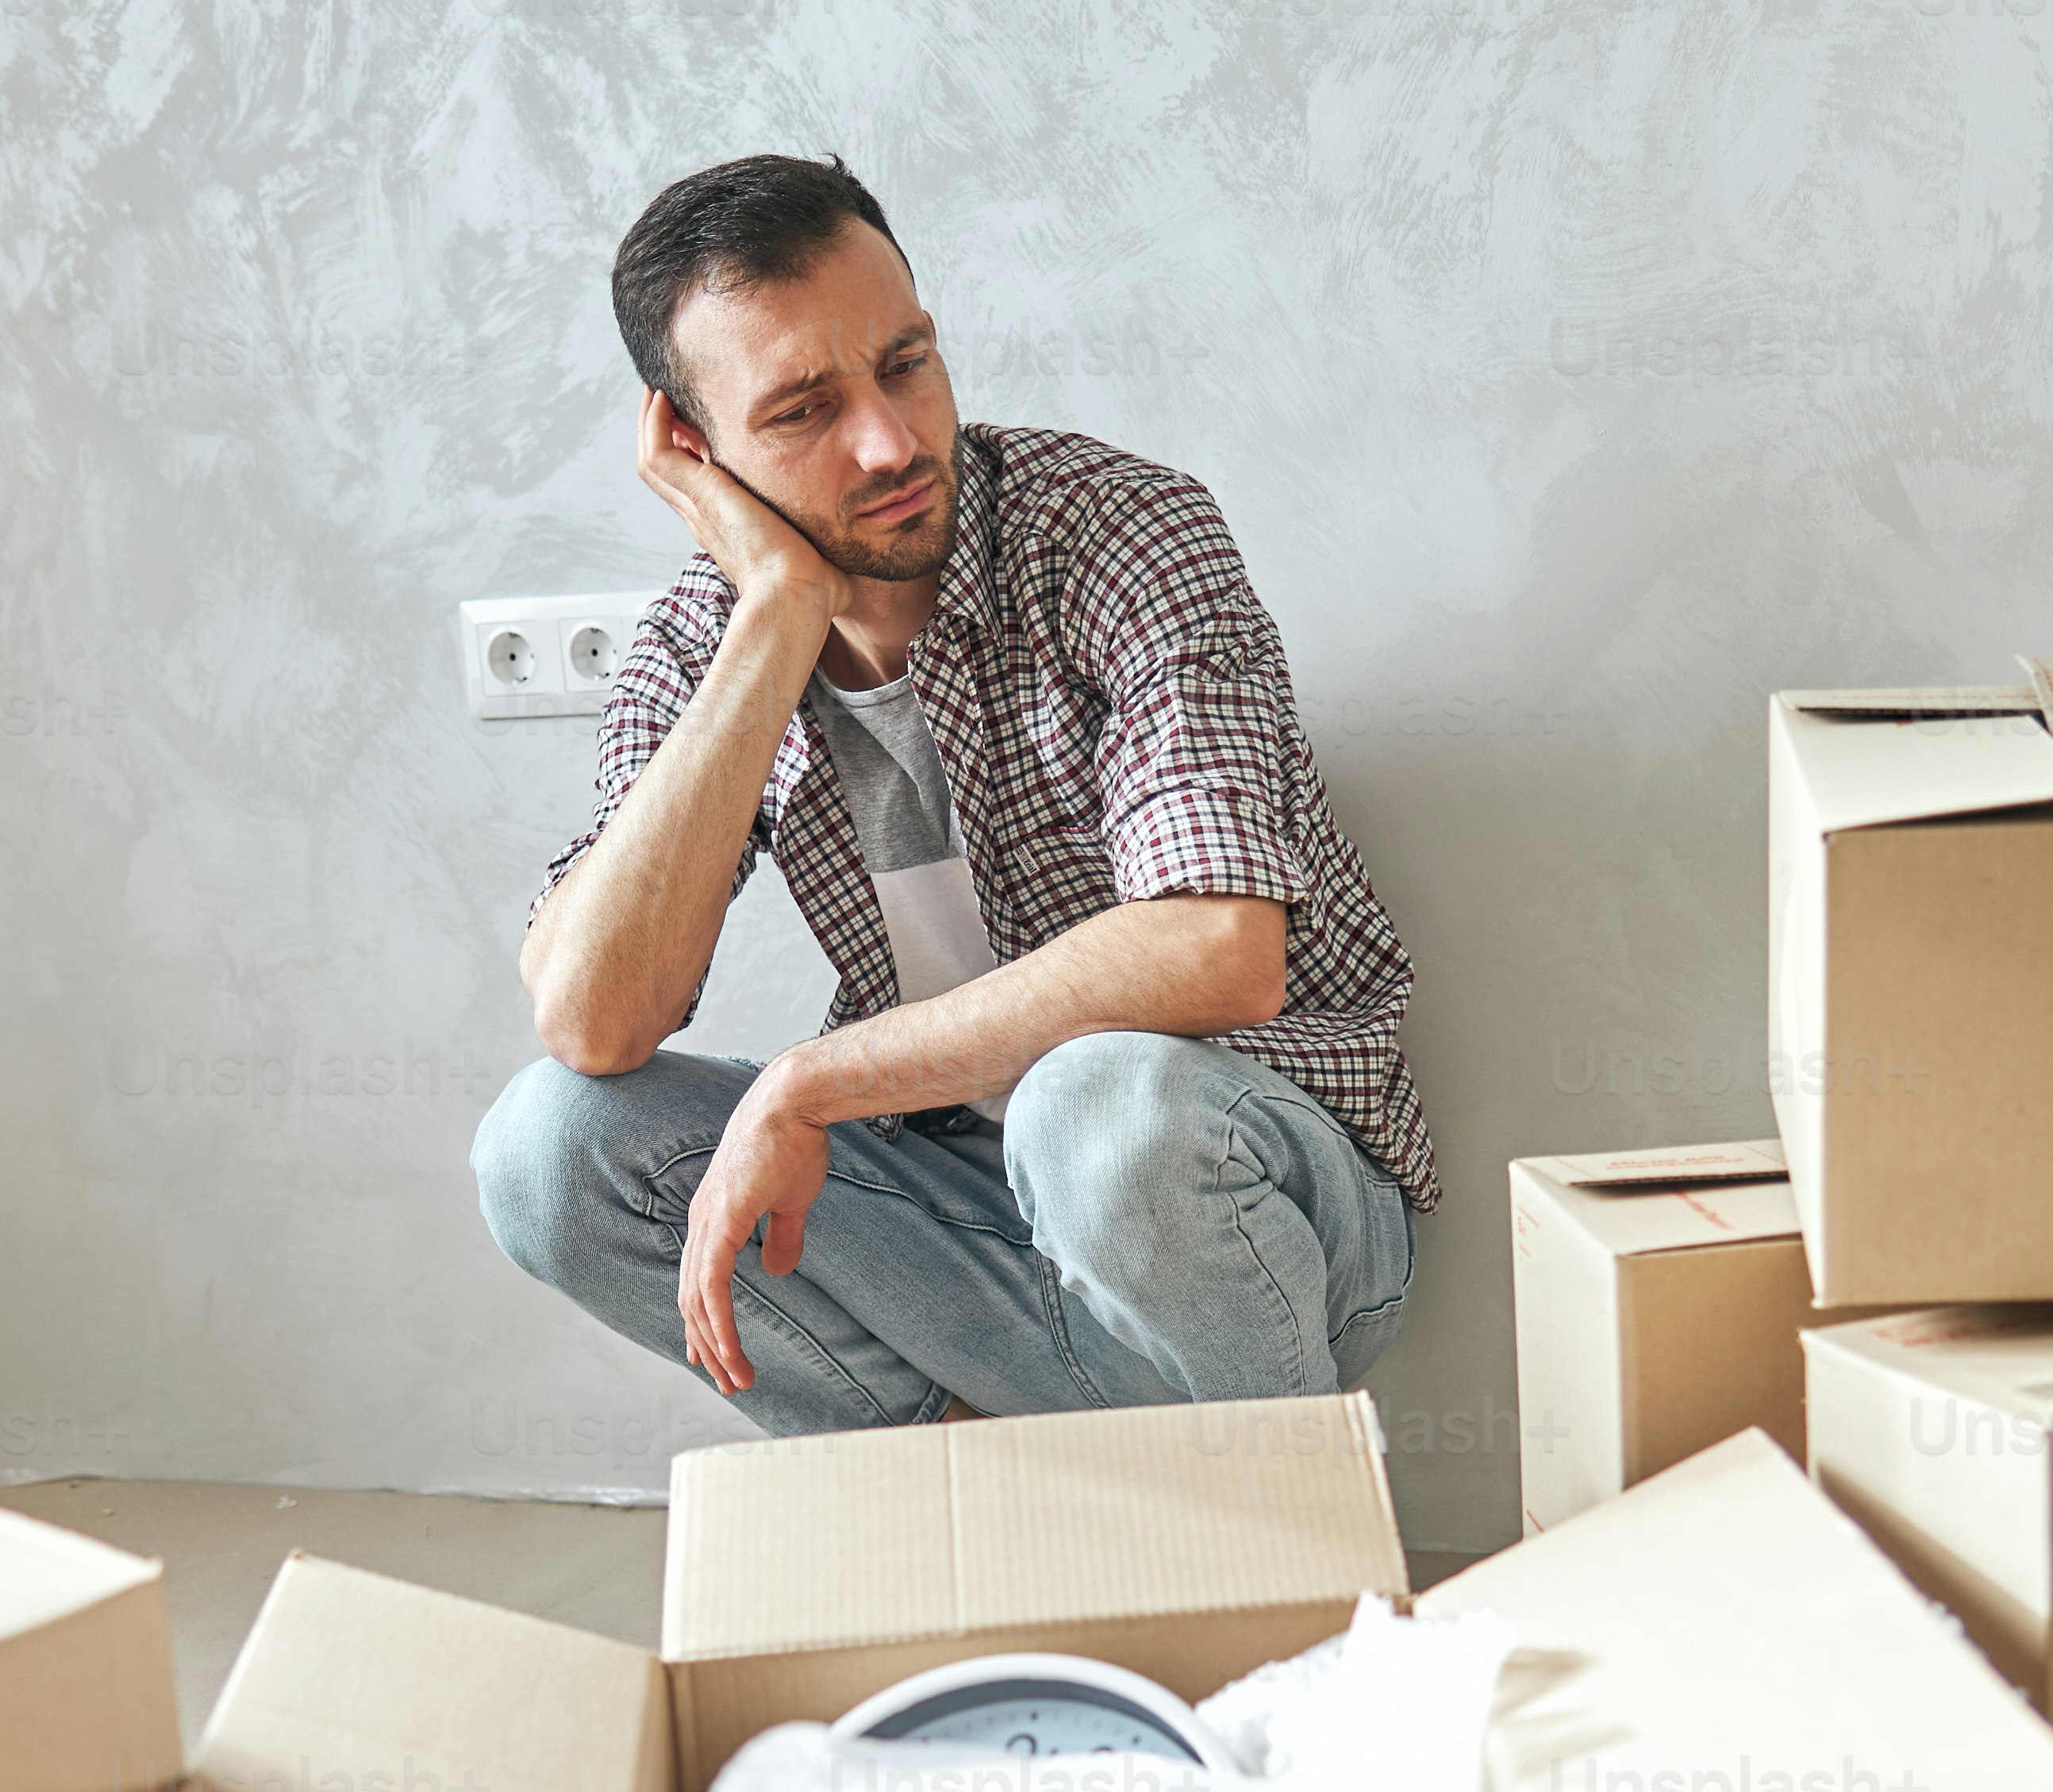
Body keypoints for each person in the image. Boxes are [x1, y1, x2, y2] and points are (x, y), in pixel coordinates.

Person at [471, 154, 1435, 1434]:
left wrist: (807, 1083)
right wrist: (777, 615)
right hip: (956, 1203)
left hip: (1244, 1189)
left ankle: (1261, 1533)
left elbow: (1219, 950)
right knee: (551, 1148)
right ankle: (981, 1483)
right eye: (803, 410)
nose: (888, 442)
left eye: (905, 363)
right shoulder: (704, 639)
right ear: (692, 451)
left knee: (1095, 1108)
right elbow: (593, 1020)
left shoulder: (1118, 530)